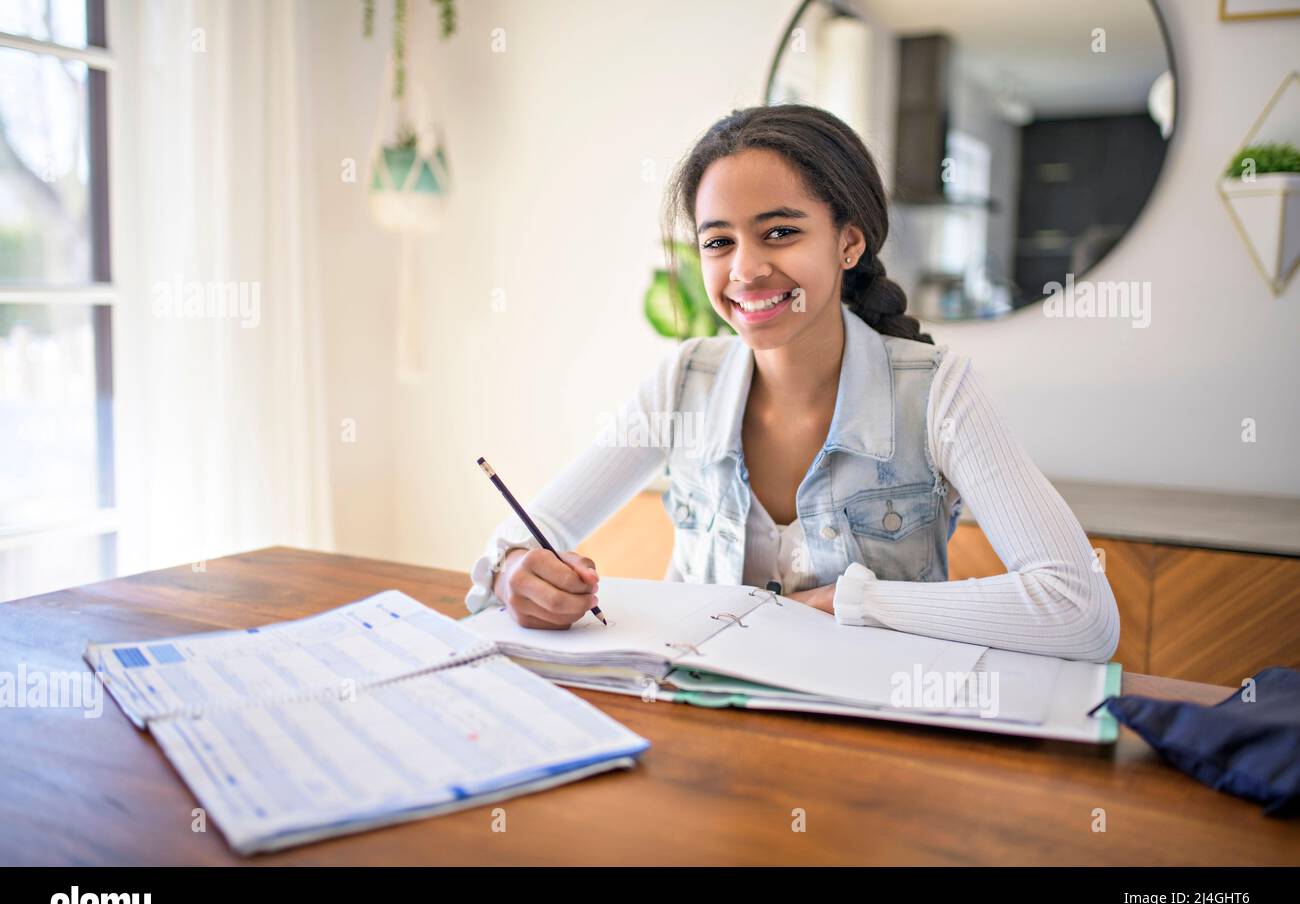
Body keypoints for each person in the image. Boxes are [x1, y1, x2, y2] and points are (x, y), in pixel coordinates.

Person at [465, 104, 1119, 663]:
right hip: (700, 733)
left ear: (849, 243)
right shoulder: (682, 382)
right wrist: (511, 570)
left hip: (871, 739)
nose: (746, 270)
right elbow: (528, 531)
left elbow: (1081, 608)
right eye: (718, 243)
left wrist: (854, 603)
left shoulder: (938, 393)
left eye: (780, 232)